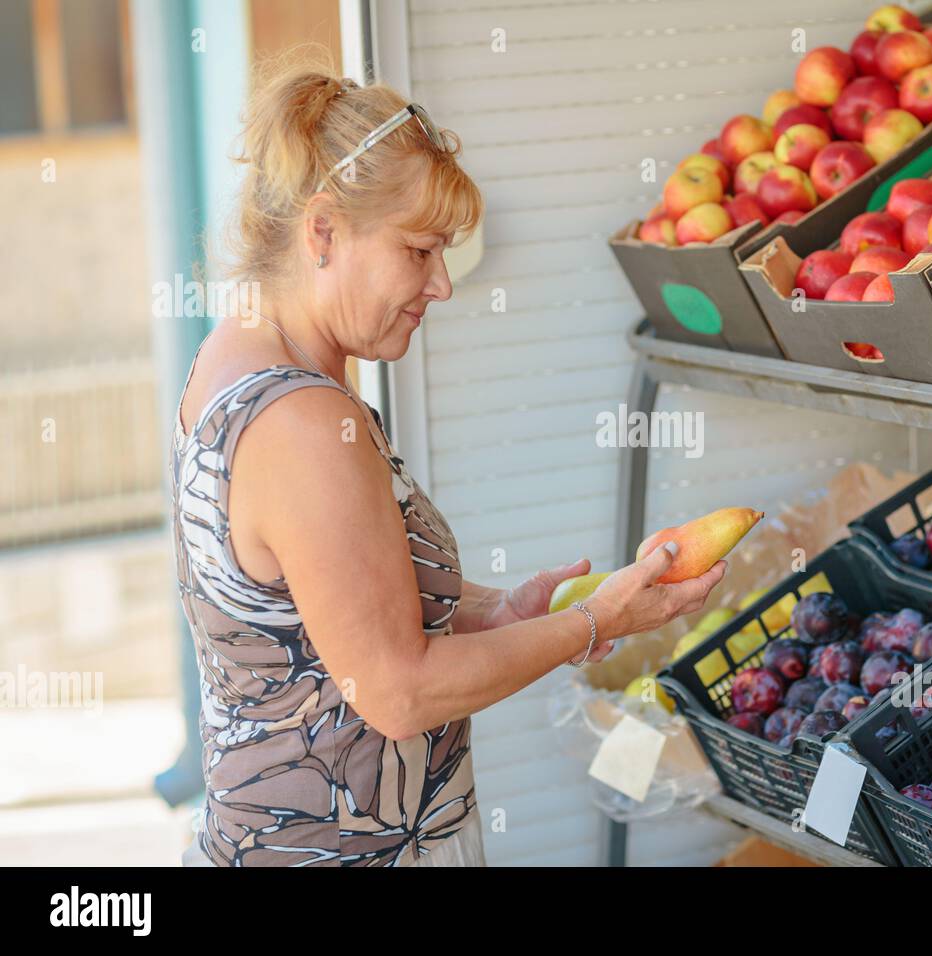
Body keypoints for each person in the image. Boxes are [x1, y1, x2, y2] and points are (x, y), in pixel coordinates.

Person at [170, 65, 725, 867]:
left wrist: (500, 613)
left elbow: (319, 619)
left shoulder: (238, 355)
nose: (440, 285)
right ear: (322, 233)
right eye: (419, 250)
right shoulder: (303, 423)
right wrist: (596, 624)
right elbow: (397, 690)